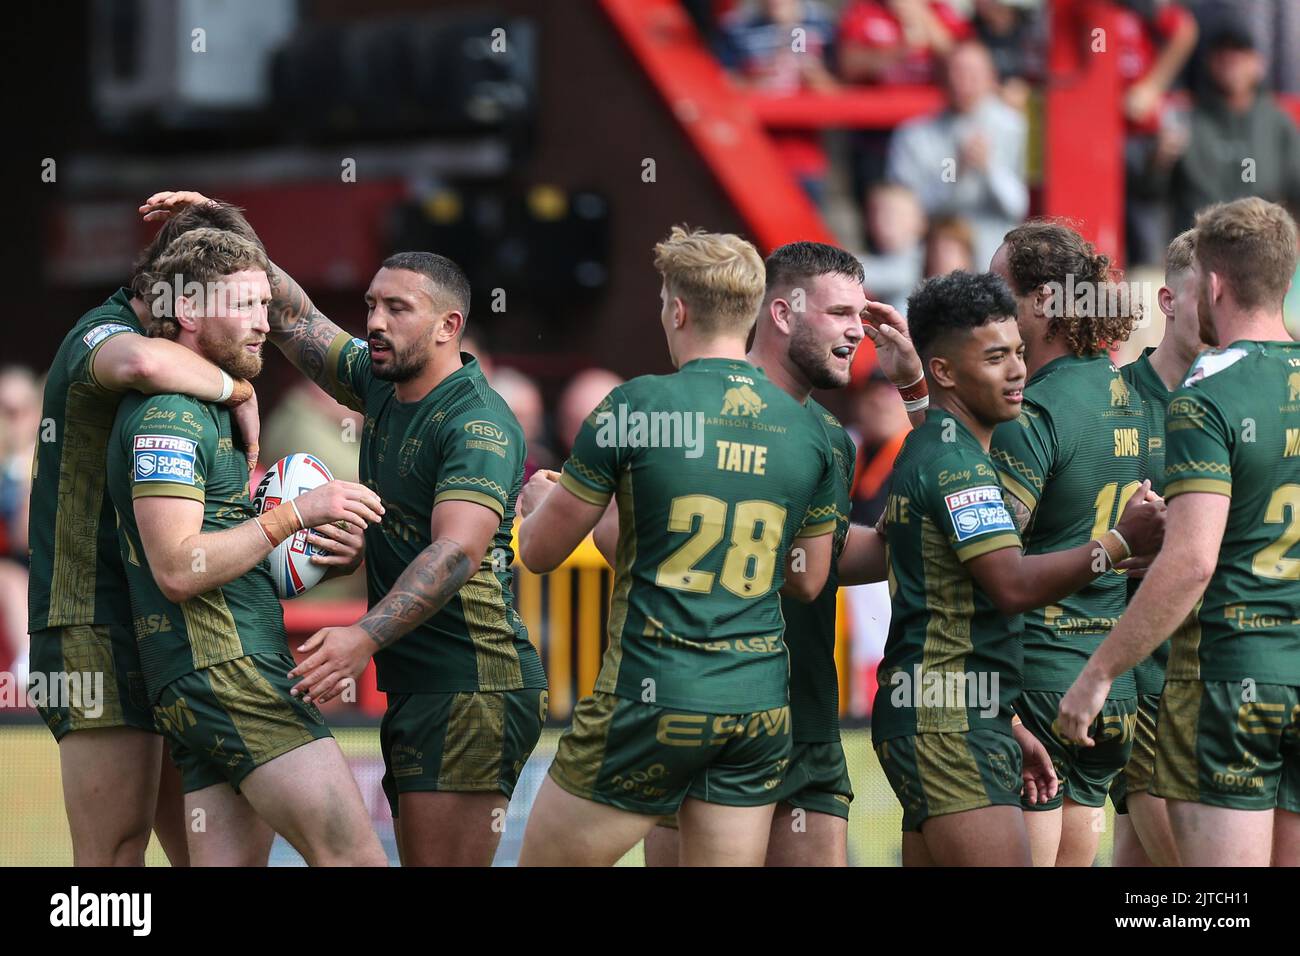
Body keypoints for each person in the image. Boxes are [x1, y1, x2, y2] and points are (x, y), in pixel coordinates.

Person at [142, 188, 548, 868]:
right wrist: (225, 227)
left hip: (474, 685)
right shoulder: (381, 380)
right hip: (423, 680)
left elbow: (456, 553)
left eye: (398, 308)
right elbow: (293, 316)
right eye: (371, 306)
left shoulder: (478, 423)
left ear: (449, 327)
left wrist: (362, 635)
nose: (375, 321)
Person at [513, 226, 840, 866]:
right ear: (751, 314)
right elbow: (806, 578)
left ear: (679, 309)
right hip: (756, 706)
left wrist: (537, 507)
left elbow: (542, 553)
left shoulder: (636, 404)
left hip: (651, 695)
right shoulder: (810, 430)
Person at [620, 241, 927, 867]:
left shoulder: (828, 438)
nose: (856, 333)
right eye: (840, 314)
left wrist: (918, 396)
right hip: (694, 716)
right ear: (781, 314)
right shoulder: (685, 410)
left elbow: (841, 558)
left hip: (804, 715)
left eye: (860, 318)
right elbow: (622, 539)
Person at [107, 227, 385, 866]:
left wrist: (310, 550)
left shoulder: (208, 402)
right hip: (228, 670)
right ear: (187, 311)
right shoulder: (171, 414)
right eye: (244, 305)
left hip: (204, 672)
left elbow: (216, 544)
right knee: (353, 855)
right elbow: (178, 568)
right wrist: (297, 515)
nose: (263, 324)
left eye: (265, 305)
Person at [872, 270, 1165, 866]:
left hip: (956, 712)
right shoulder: (959, 463)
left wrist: (1005, 724)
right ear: (947, 371)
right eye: (996, 358)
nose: (1017, 373)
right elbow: (1010, 584)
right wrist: (1118, 541)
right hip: (946, 721)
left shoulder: (938, 446)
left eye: (1019, 354)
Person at [1059, 197, 1300, 868]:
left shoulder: (1208, 392)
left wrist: (1099, 672)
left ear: (1213, 285)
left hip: (1231, 678)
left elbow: (1194, 562)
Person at [28, 199, 267, 867]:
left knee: (199, 851)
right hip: (88, 619)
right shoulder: (101, 336)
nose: (258, 321)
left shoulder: (192, 359)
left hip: (158, 615)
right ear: (179, 293)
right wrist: (240, 391)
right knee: (113, 853)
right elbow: (139, 366)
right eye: (236, 297)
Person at [988, 220, 1154, 867]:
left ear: (1046, 303)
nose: (988, 307)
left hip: (1036, 686)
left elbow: (992, 568)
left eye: (1000, 291)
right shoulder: (1126, 394)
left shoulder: (1032, 413)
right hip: (1109, 685)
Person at [1108, 228, 1211, 868]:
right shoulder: (1110, 402)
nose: (1221, 308)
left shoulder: (1241, 398)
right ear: (1168, 301)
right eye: (1207, 294)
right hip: (1143, 678)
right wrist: (1121, 543)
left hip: (1222, 674)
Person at [1145, 24, 1300, 237]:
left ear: (1259, 64)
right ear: (1209, 62)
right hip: (1200, 248)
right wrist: (1158, 161)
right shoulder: (1186, 118)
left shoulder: (1278, 124)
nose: (1230, 62)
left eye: (1239, 54)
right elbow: (1150, 194)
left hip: (1263, 251)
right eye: (1222, 55)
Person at [886, 41, 1028, 268]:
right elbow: (907, 216)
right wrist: (955, 170)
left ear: (991, 78)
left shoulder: (1013, 127)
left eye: (973, 73)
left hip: (994, 243)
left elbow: (1016, 206)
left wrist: (988, 167)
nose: (963, 82)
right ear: (942, 78)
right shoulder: (914, 134)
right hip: (932, 248)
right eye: (957, 72)